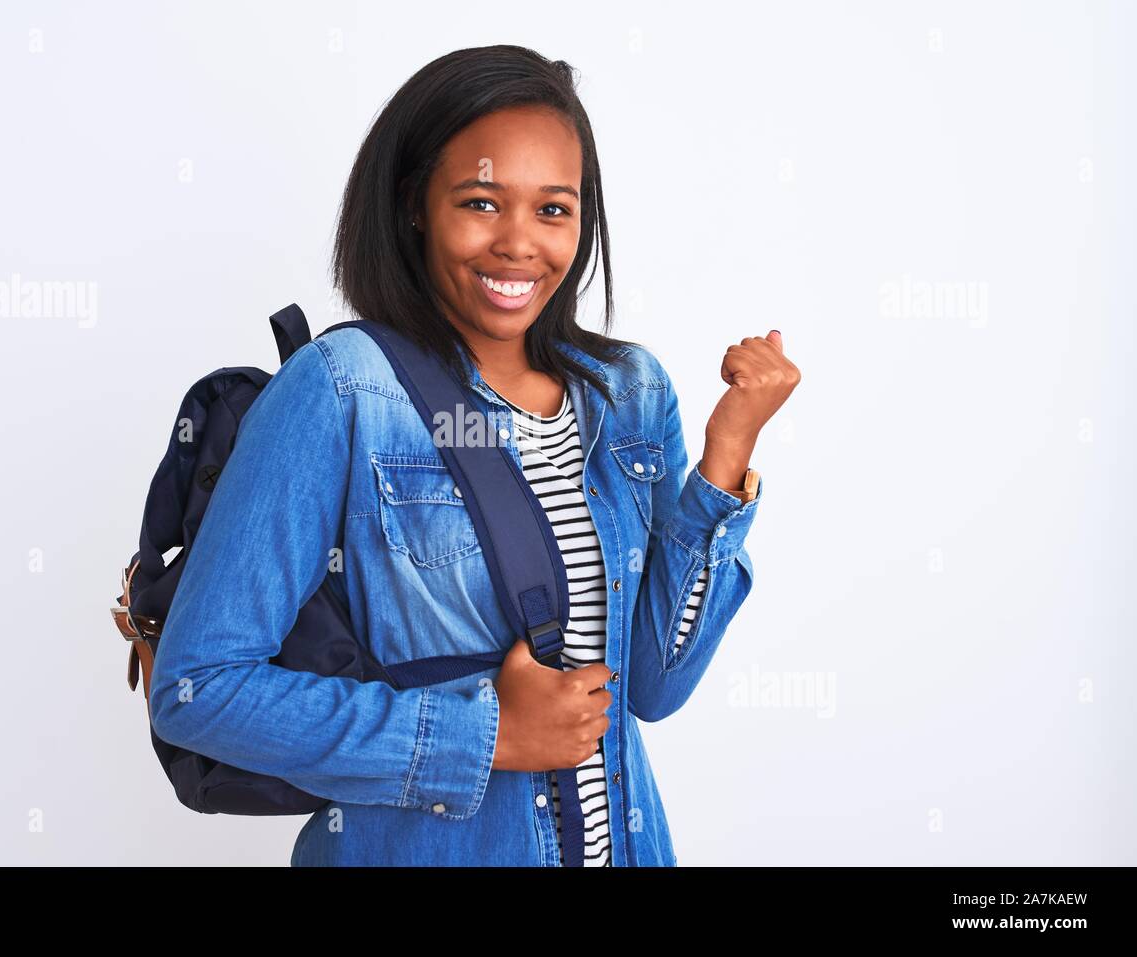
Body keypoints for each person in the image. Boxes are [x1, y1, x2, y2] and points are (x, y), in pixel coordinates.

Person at [149, 44, 800, 866]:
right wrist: (486, 733)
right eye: (483, 202)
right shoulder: (344, 392)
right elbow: (197, 688)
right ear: (416, 204)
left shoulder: (628, 393)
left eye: (553, 210)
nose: (519, 246)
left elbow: (655, 684)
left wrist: (728, 452)